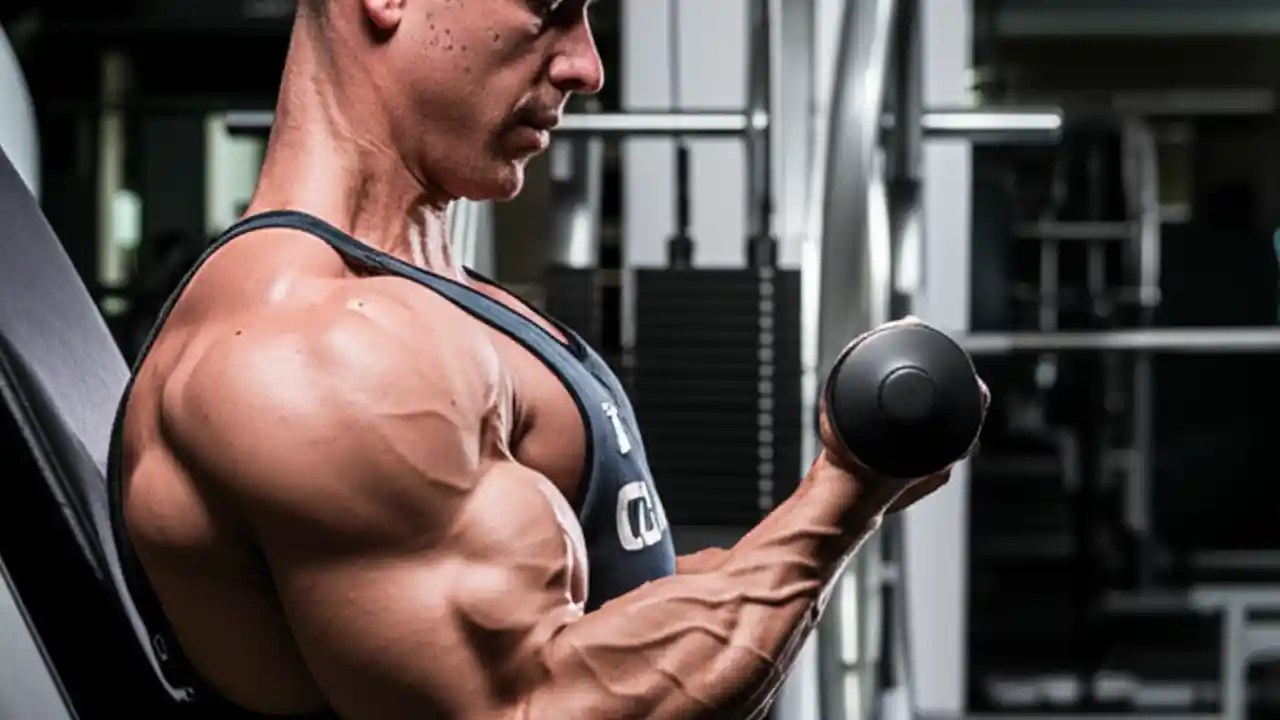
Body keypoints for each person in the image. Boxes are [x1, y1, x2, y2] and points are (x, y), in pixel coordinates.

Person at [109, 1, 982, 718]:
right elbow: (530, 703)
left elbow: (610, 603)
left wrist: (834, 505)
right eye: (552, 12)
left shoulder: (426, 299)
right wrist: (843, 498)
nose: (588, 67)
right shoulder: (323, 352)